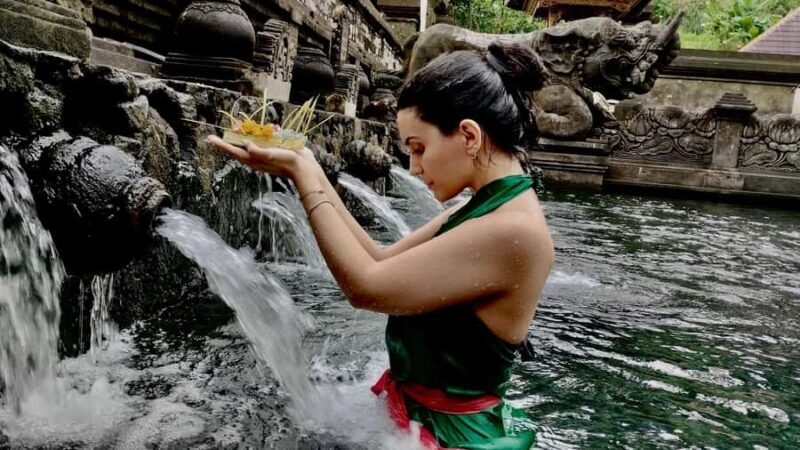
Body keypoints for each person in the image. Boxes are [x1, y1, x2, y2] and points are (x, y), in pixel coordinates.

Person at [207, 41, 554, 450]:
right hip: (414, 420)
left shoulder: (511, 229)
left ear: (468, 135)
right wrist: (311, 169)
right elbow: (379, 258)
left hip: (450, 438)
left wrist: (302, 176)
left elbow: (367, 288)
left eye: (418, 148)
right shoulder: (488, 206)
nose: (414, 167)